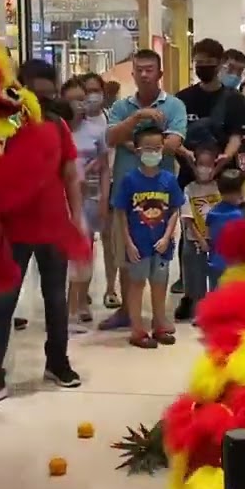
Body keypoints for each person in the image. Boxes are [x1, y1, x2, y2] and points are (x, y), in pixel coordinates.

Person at [0, 59, 83, 412]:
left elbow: (70, 175)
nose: (42, 100)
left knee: (56, 301)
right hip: (11, 230)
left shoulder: (57, 126)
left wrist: (76, 219)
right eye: (36, 92)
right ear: (20, 88)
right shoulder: (0, 128)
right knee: (2, 304)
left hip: (53, 228)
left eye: (49, 93)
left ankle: (57, 362)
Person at [99, 50, 187, 331]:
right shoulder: (122, 107)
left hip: (162, 199)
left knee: (159, 257)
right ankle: (126, 311)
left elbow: (172, 144)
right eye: (140, 70)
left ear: (160, 73)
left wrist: (135, 142)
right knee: (126, 256)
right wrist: (138, 118)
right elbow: (111, 138)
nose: (145, 74)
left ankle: (159, 316)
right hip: (126, 197)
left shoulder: (174, 106)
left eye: (150, 69)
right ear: (133, 74)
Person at [174, 38, 245, 319]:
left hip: (224, 178)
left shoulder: (235, 101)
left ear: (220, 65)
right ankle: (191, 295)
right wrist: (187, 156)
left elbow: (236, 136)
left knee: (224, 235)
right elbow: (176, 134)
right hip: (189, 176)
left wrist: (224, 159)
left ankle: (227, 293)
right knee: (192, 236)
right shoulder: (182, 99)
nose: (203, 67)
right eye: (199, 63)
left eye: (209, 63)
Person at [111, 126, 183, 348]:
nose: (153, 152)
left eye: (157, 148)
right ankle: (137, 329)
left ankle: (159, 323)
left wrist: (168, 236)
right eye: (148, 148)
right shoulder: (129, 180)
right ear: (138, 150)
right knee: (137, 284)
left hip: (161, 245)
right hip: (138, 244)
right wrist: (128, 243)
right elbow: (121, 213)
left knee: (160, 284)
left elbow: (174, 211)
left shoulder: (169, 180)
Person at [63, 76, 110, 327]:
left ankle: (81, 302)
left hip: (91, 198)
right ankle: (67, 306)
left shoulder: (96, 129)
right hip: (63, 200)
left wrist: (104, 198)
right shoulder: (58, 129)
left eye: (81, 99)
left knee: (85, 250)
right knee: (67, 253)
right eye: (72, 100)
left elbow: (104, 167)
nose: (78, 105)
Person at [178, 145, 221, 314]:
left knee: (216, 277)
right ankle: (198, 309)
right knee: (196, 276)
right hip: (195, 240)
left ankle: (216, 309)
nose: (205, 169)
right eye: (201, 164)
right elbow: (188, 219)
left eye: (208, 164)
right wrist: (201, 239)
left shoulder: (220, 187)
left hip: (217, 241)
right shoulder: (188, 189)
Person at [204, 169, 245, 290]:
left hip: (214, 264)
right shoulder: (238, 215)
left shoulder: (212, 212)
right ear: (238, 191)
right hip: (234, 267)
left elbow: (207, 237)